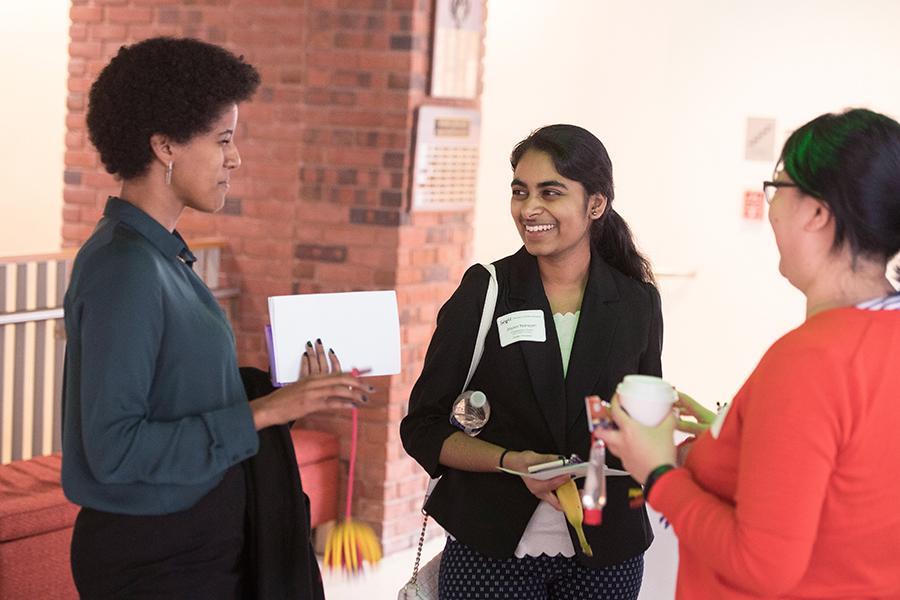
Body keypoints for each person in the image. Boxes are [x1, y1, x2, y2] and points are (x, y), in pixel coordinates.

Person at [61, 37, 370, 599]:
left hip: (196, 542)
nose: (235, 158)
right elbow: (115, 449)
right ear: (164, 146)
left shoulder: (162, 257)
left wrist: (285, 391)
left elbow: (180, 398)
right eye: (223, 140)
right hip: (156, 558)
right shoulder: (124, 268)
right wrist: (270, 410)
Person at [596, 108, 900, 599]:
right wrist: (725, 434)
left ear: (817, 212)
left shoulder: (813, 359)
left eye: (778, 187)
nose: (772, 206)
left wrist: (656, 473)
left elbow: (762, 565)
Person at [401, 124, 663, 599]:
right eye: (520, 192)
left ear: (596, 204)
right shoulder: (486, 289)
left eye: (551, 192)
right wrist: (510, 462)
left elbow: (644, 424)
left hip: (607, 551)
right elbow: (423, 426)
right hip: (491, 548)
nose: (529, 209)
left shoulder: (636, 303)